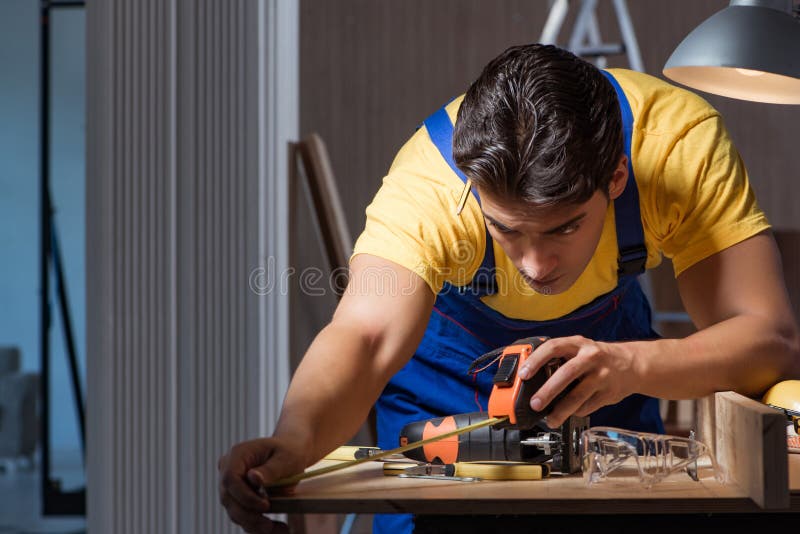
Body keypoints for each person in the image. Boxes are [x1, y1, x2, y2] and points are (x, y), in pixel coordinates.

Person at [218, 44, 800, 533]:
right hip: (444, 386)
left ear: (617, 177)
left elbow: (769, 337)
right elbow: (365, 336)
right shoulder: (427, 186)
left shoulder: (676, 145)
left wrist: (628, 365)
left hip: (611, 373)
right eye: (505, 230)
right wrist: (294, 441)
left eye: (565, 227)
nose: (536, 264)